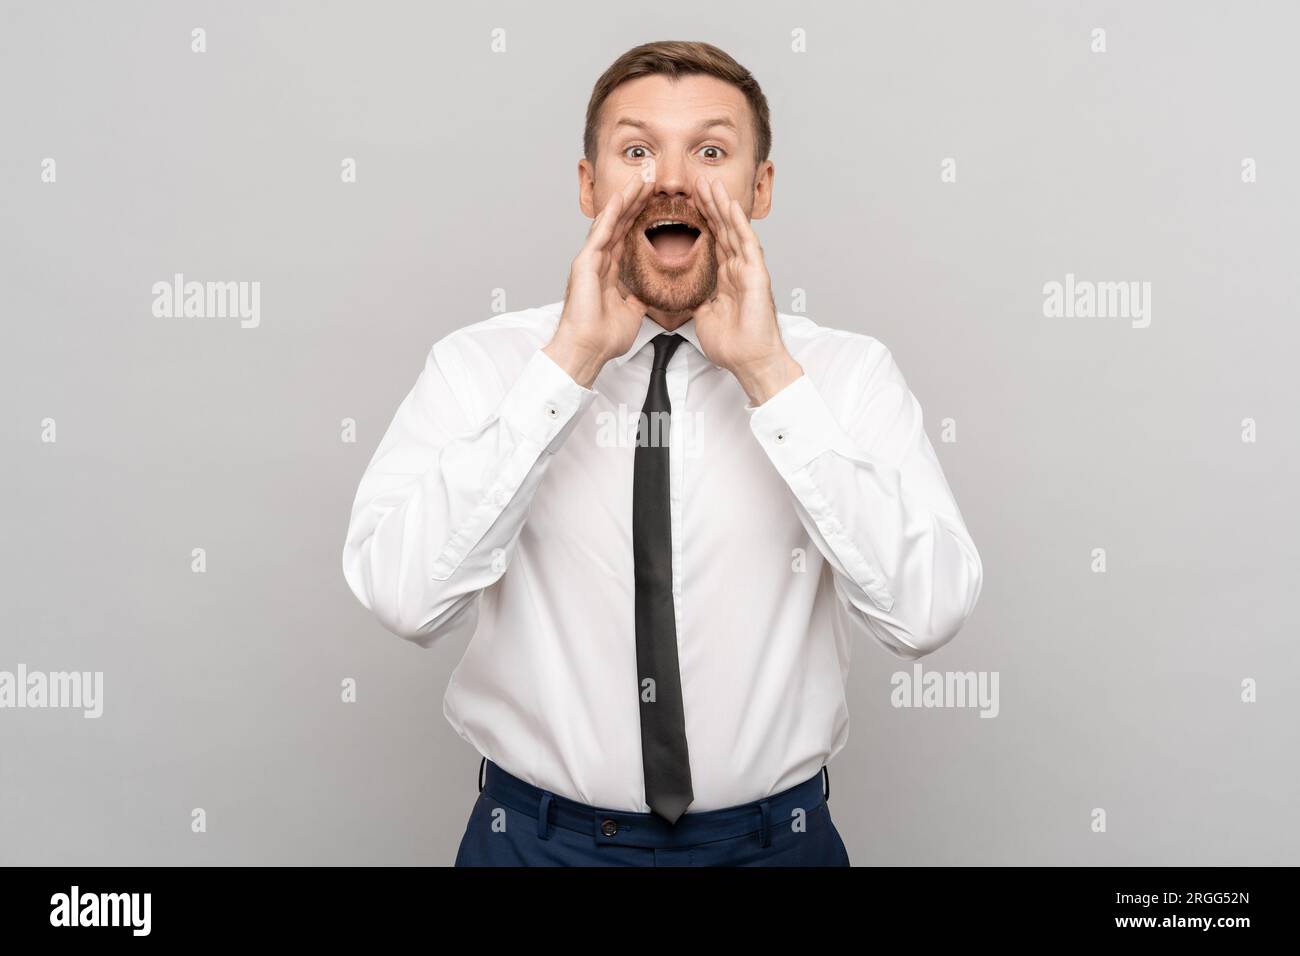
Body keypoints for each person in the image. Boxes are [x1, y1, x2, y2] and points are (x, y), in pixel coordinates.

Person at [341, 40, 984, 866]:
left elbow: (925, 615)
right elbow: (404, 599)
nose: (672, 180)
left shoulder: (846, 375)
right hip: (536, 846)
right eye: (636, 150)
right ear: (589, 185)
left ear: (761, 188)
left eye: (710, 151)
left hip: (771, 846)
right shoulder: (480, 366)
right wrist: (568, 366)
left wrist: (769, 378)